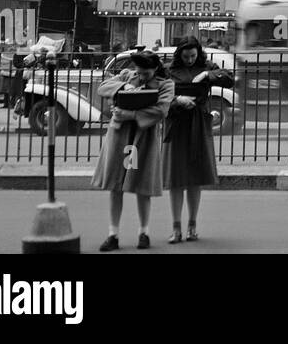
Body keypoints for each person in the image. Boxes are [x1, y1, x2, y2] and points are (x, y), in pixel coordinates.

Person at [91, 50, 174, 251]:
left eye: (146, 73)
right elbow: (102, 87)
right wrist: (123, 86)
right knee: (115, 185)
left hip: (141, 138)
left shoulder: (166, 84)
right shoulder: (128, 76)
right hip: (120, 137)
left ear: (155, 69)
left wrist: (130, 114)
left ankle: (143, 232)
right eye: (139, 72)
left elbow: (161, 110)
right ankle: (113, 234)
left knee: (141, 185)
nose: (141, 76)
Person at [162, 36, 234, 243]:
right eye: (186, 56)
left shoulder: (207, 66)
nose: (190, 60)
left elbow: (228, 78)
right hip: (175, 123)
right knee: (176, 178)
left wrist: (206, 74)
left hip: (198, 123)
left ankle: (192, 226)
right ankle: (176, 228)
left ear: (198, 53)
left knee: (195, 177)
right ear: (179, 55)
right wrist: (177, 100)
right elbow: (159, 93)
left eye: (193, 56)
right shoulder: (168, 70)